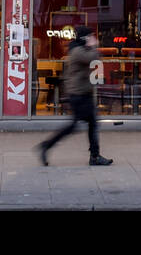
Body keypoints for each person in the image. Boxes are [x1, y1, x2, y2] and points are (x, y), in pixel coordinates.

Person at [36, 27, 112, 166]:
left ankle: (94, 155)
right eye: (90, 36)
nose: (92, 38)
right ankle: (47, 146)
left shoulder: (78, 49)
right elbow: (93, 58)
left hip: (82, 93)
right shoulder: (77, 51)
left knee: (90, 123)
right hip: (79, 95)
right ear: (84, 38)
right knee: (79, 125)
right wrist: (94, 45)